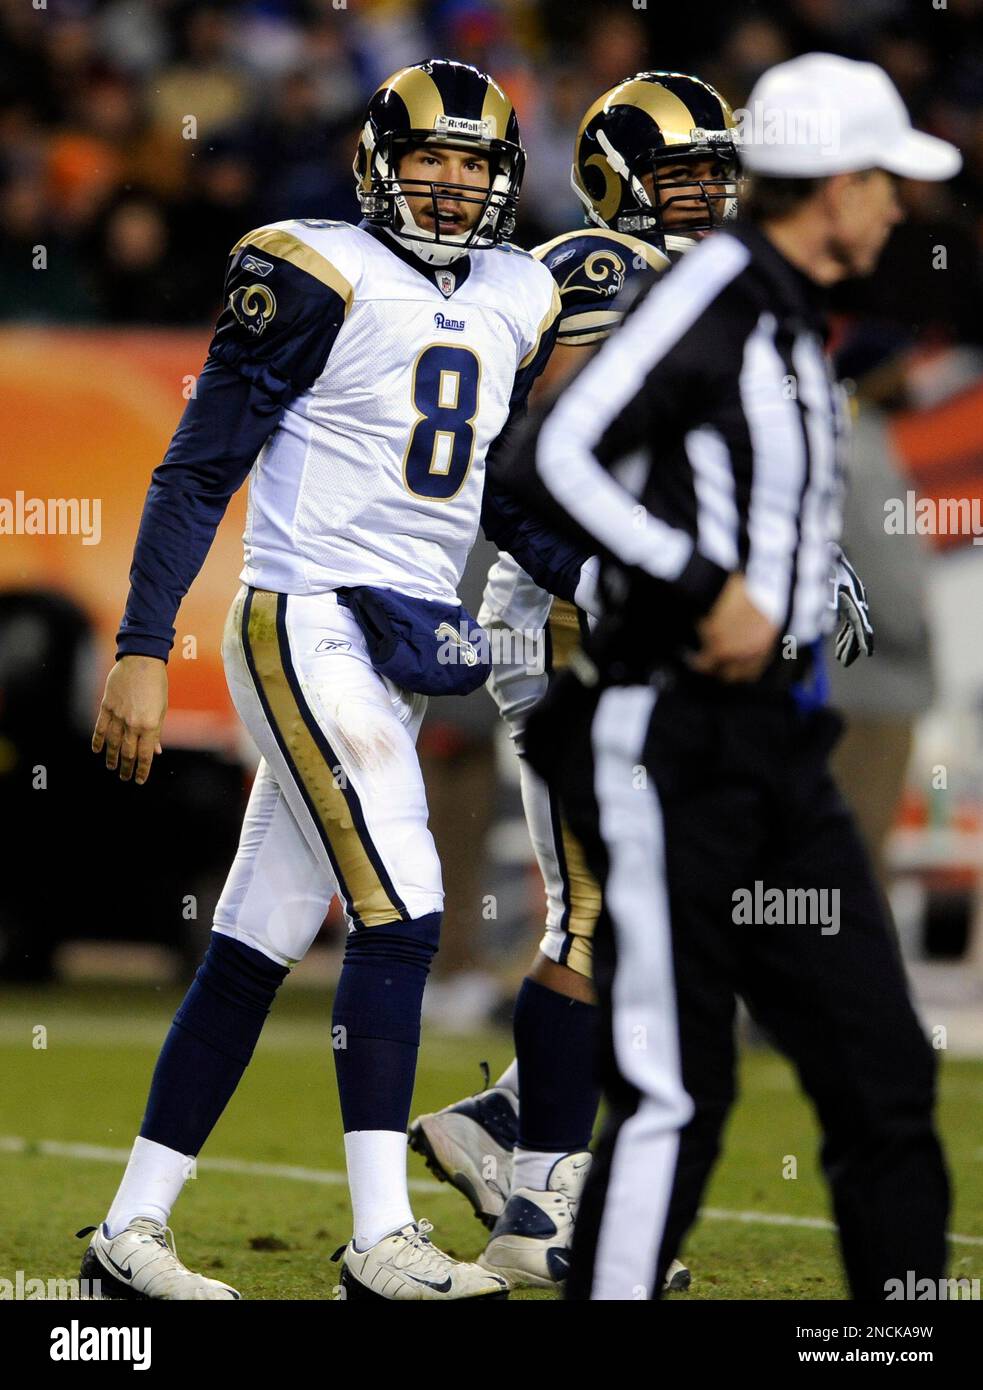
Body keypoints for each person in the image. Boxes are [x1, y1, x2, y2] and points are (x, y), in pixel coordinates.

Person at [85, 58, 597, 1302]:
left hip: (402, 636)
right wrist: (143, 647)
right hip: (304, 617)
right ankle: (379, 1239)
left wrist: (603, 576)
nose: (449, 179)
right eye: (427, 155)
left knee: (255, 940)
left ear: (500, 177)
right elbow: (197, 467)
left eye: (473, 162)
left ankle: (128, 1234)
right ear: (376, 162)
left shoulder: (521, 291)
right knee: (405, 908)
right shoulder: (313, 265)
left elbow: (494, 490)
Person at [491, 53, 961, 1301]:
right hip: (663, 735)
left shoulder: (787, 305)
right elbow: (547, 460)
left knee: (879, 1071)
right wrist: (701, 588)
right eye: (882, 184)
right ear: (834, 183)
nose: (895, 212)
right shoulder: (708, 290)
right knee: (673, 1087)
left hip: (767, 746)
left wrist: (796, 590)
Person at [409, 71, 738, 1291]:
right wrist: (597, 575)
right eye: (678, 173)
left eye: (715, 169)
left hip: (646, 628)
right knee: (592, 913)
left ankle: (498, 1127)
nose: (702, 192)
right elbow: (517, 469)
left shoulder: (723, 289)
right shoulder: (597, 268)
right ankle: (540, 1210)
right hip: (561, 619)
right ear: (614, 179)